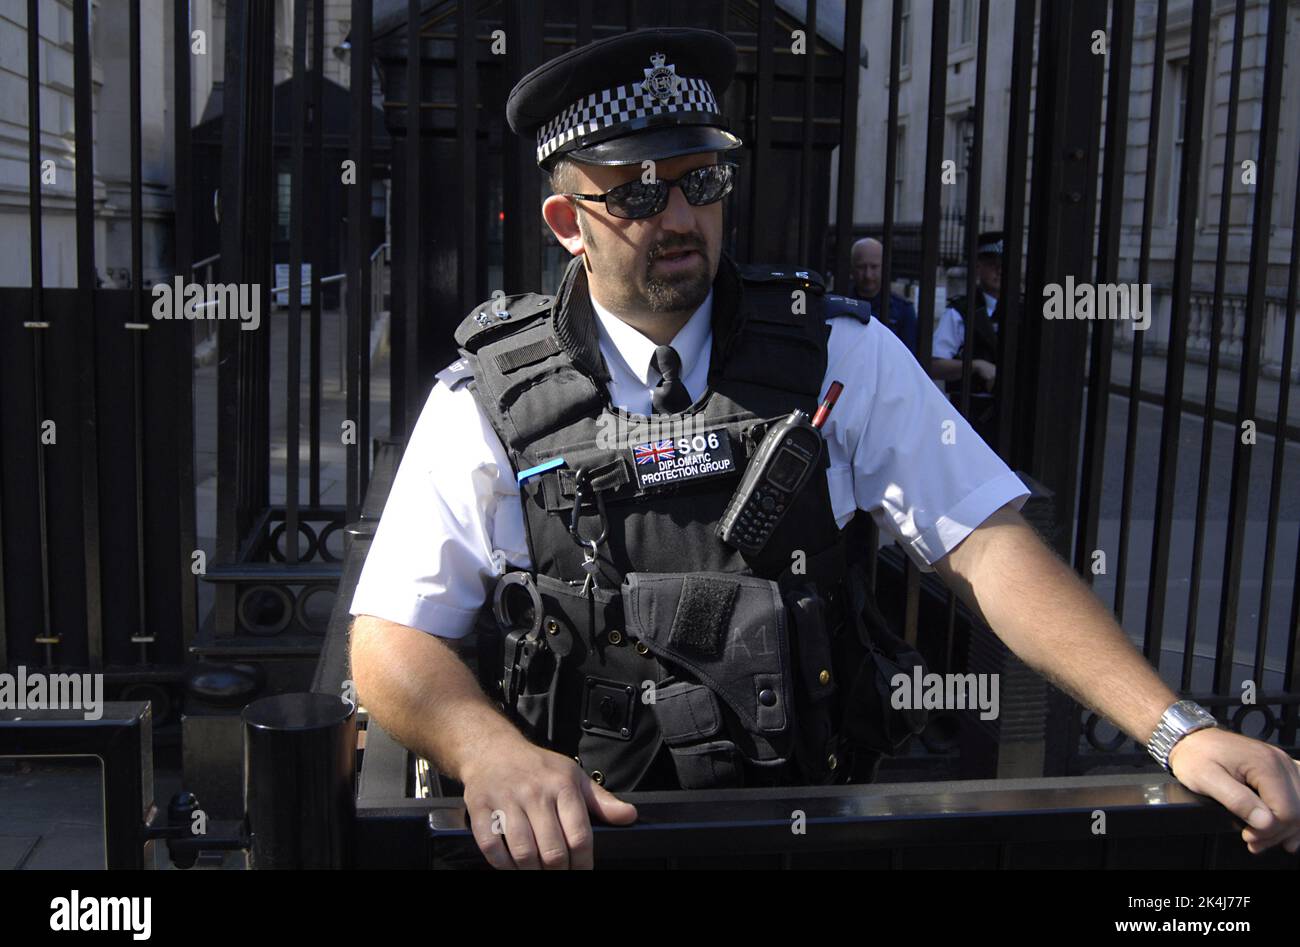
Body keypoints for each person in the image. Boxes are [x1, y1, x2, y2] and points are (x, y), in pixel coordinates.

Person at [347, 28, 1300, 870]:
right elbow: (390, 634)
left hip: (804, 827)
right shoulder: (489, 400)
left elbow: (987, 544)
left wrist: (1177, 731)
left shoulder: (844, 355)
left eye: (700, 182)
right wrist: (484, 749)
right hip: (587, 839)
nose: (678, 218)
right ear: (568, 224)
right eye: (634, 195)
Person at [932, 231, 1004, 440]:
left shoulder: (1023, 310)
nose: (999, 270)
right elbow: (934, 365)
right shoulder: (960, 311)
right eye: (992, 263)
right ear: (979, 266)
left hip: (1013, 412)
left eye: (1004, 263)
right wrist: (975, 365)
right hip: (969, 411)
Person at [848, 237, 919, 355]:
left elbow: (908, 358)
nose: (868, 275)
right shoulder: (837, 304)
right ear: (852, 268)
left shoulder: (903, 310)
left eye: (874, 267)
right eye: (861, 267)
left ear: (885, 267)